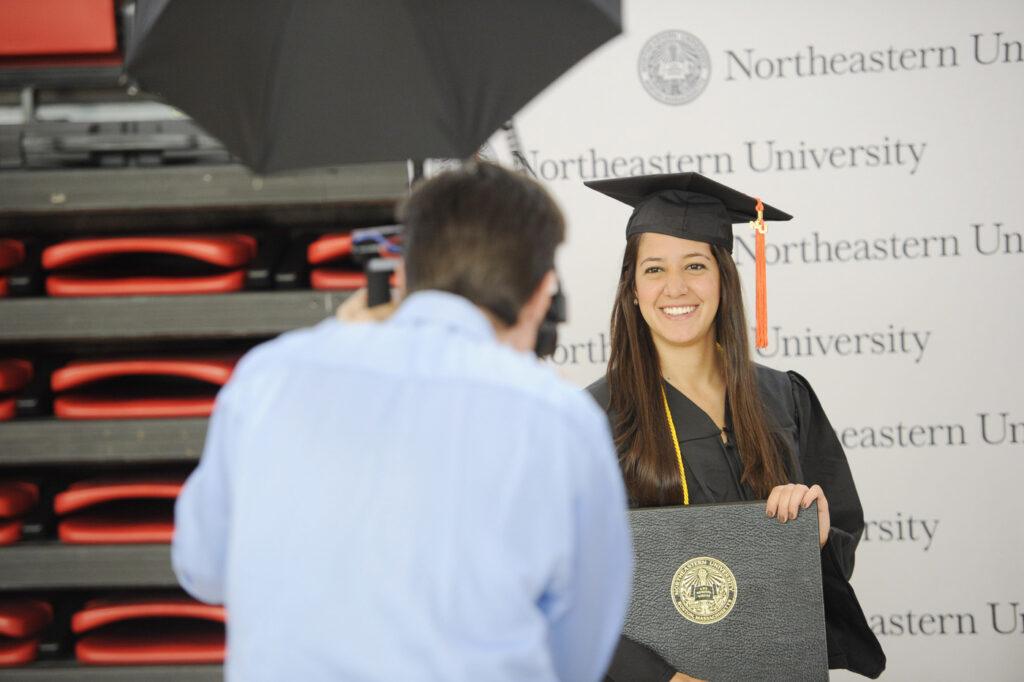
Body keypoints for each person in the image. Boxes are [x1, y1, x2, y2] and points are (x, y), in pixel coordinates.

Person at [173, 162, 633, 682]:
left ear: (398, 278)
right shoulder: (560, 421)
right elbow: (578, 655)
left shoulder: (267, 376)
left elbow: (202, 568)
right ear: (544, 296)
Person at [583, 172, 886, 681]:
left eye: (696, 265)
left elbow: (840, 537)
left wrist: (812, 537)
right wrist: (663, 678)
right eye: (654, 269)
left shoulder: (784, 397)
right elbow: (568, 584)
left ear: (724, 279)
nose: (675, 288)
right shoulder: (593, 418)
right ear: (632, 289)